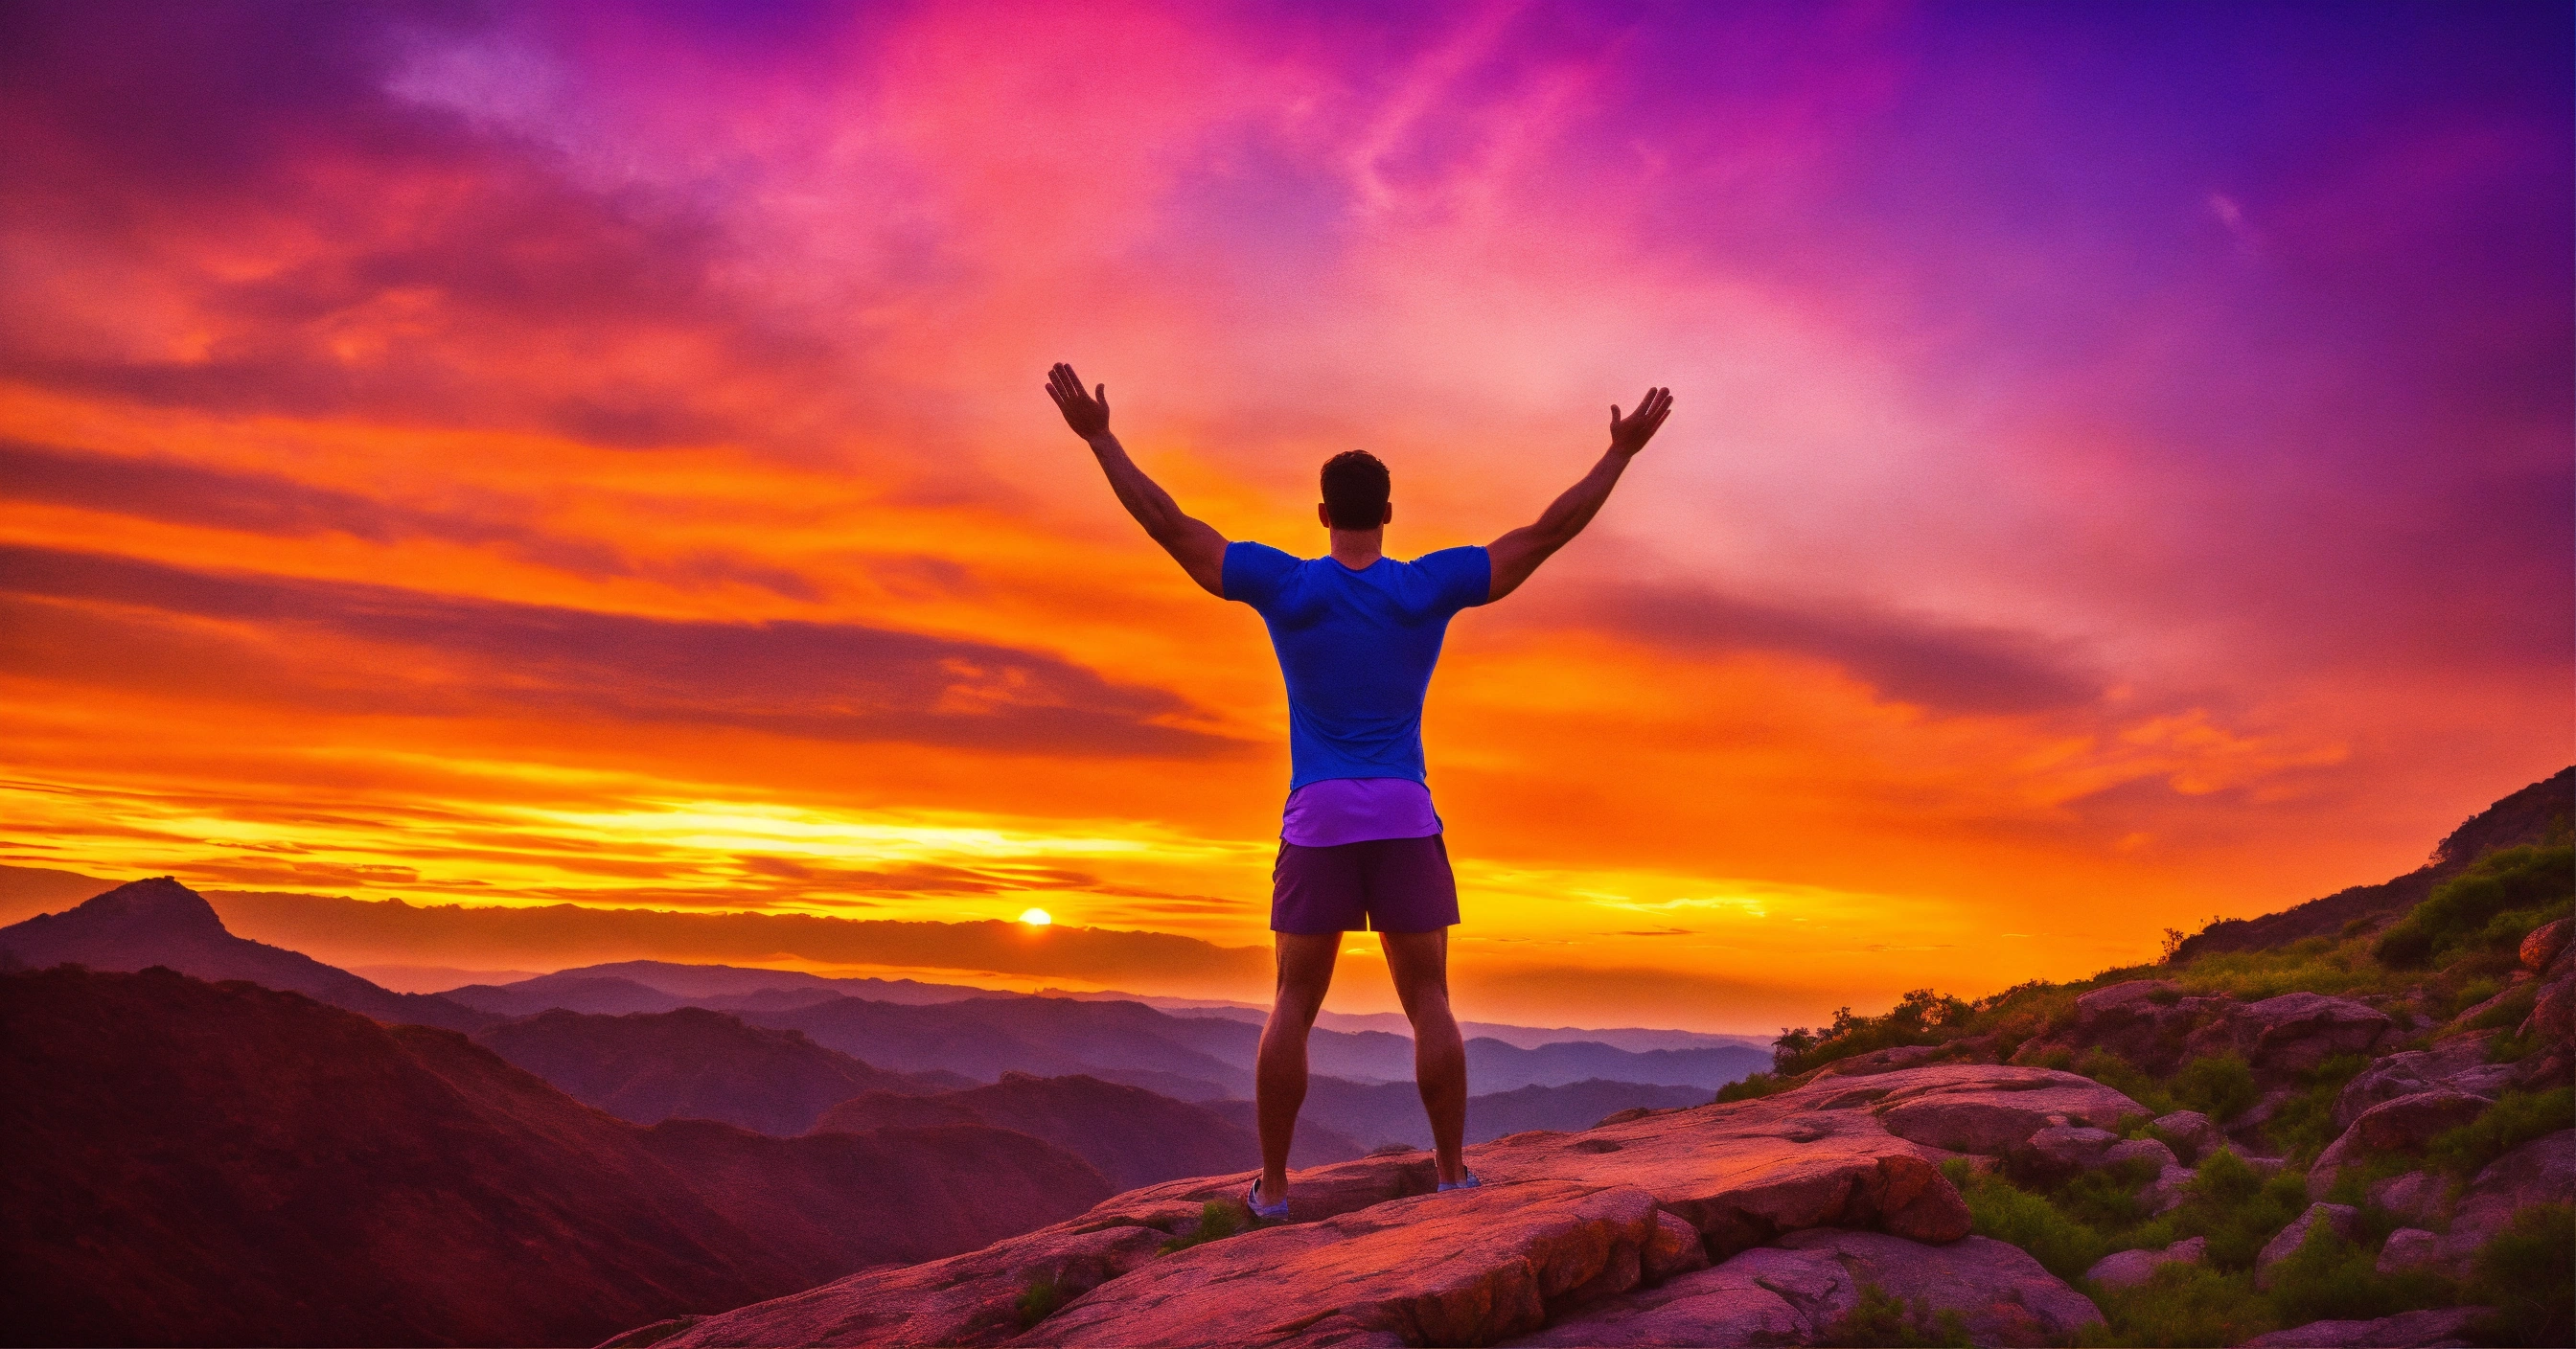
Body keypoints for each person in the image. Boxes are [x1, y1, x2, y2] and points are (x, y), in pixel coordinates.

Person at [1044, 362, 1672, 1220]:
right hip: (1405, 813)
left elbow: (1170, 525)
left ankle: (1273, 1190)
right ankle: (1451, 1175)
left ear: (1322, 514)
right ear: (1389, 512)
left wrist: (1101, 440)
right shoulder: (1425, 586)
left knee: (1293, 1001)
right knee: (1430, 1000)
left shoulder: (1287, 585)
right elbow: (1547, 532)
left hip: (1319, 817)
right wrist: (1620, 454)